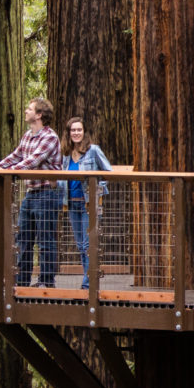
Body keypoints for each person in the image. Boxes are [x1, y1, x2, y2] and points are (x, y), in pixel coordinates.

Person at [0, 97, 63, 287]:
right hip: (31, 193)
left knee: (45, 239)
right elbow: (16, 156)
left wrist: (9, 171)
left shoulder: (49, 137)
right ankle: (22, 280)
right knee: (23, 237)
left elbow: (33, 161)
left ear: (39, 115)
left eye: (29, 109)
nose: (25, 111)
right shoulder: (27, 136)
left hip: (48, 193)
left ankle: (46, 282)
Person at [61, 117, 113, 289]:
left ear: (84, 132)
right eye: (73, 130)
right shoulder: (66, 154)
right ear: (68, 133)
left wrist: (97, 190)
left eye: (79, 130)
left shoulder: (93, 151)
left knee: (87, 244)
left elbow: (108, 173)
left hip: (88, 204)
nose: (76, 133)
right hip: (71, 203)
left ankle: (88, 285)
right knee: (80, 245)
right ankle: (89, 280)